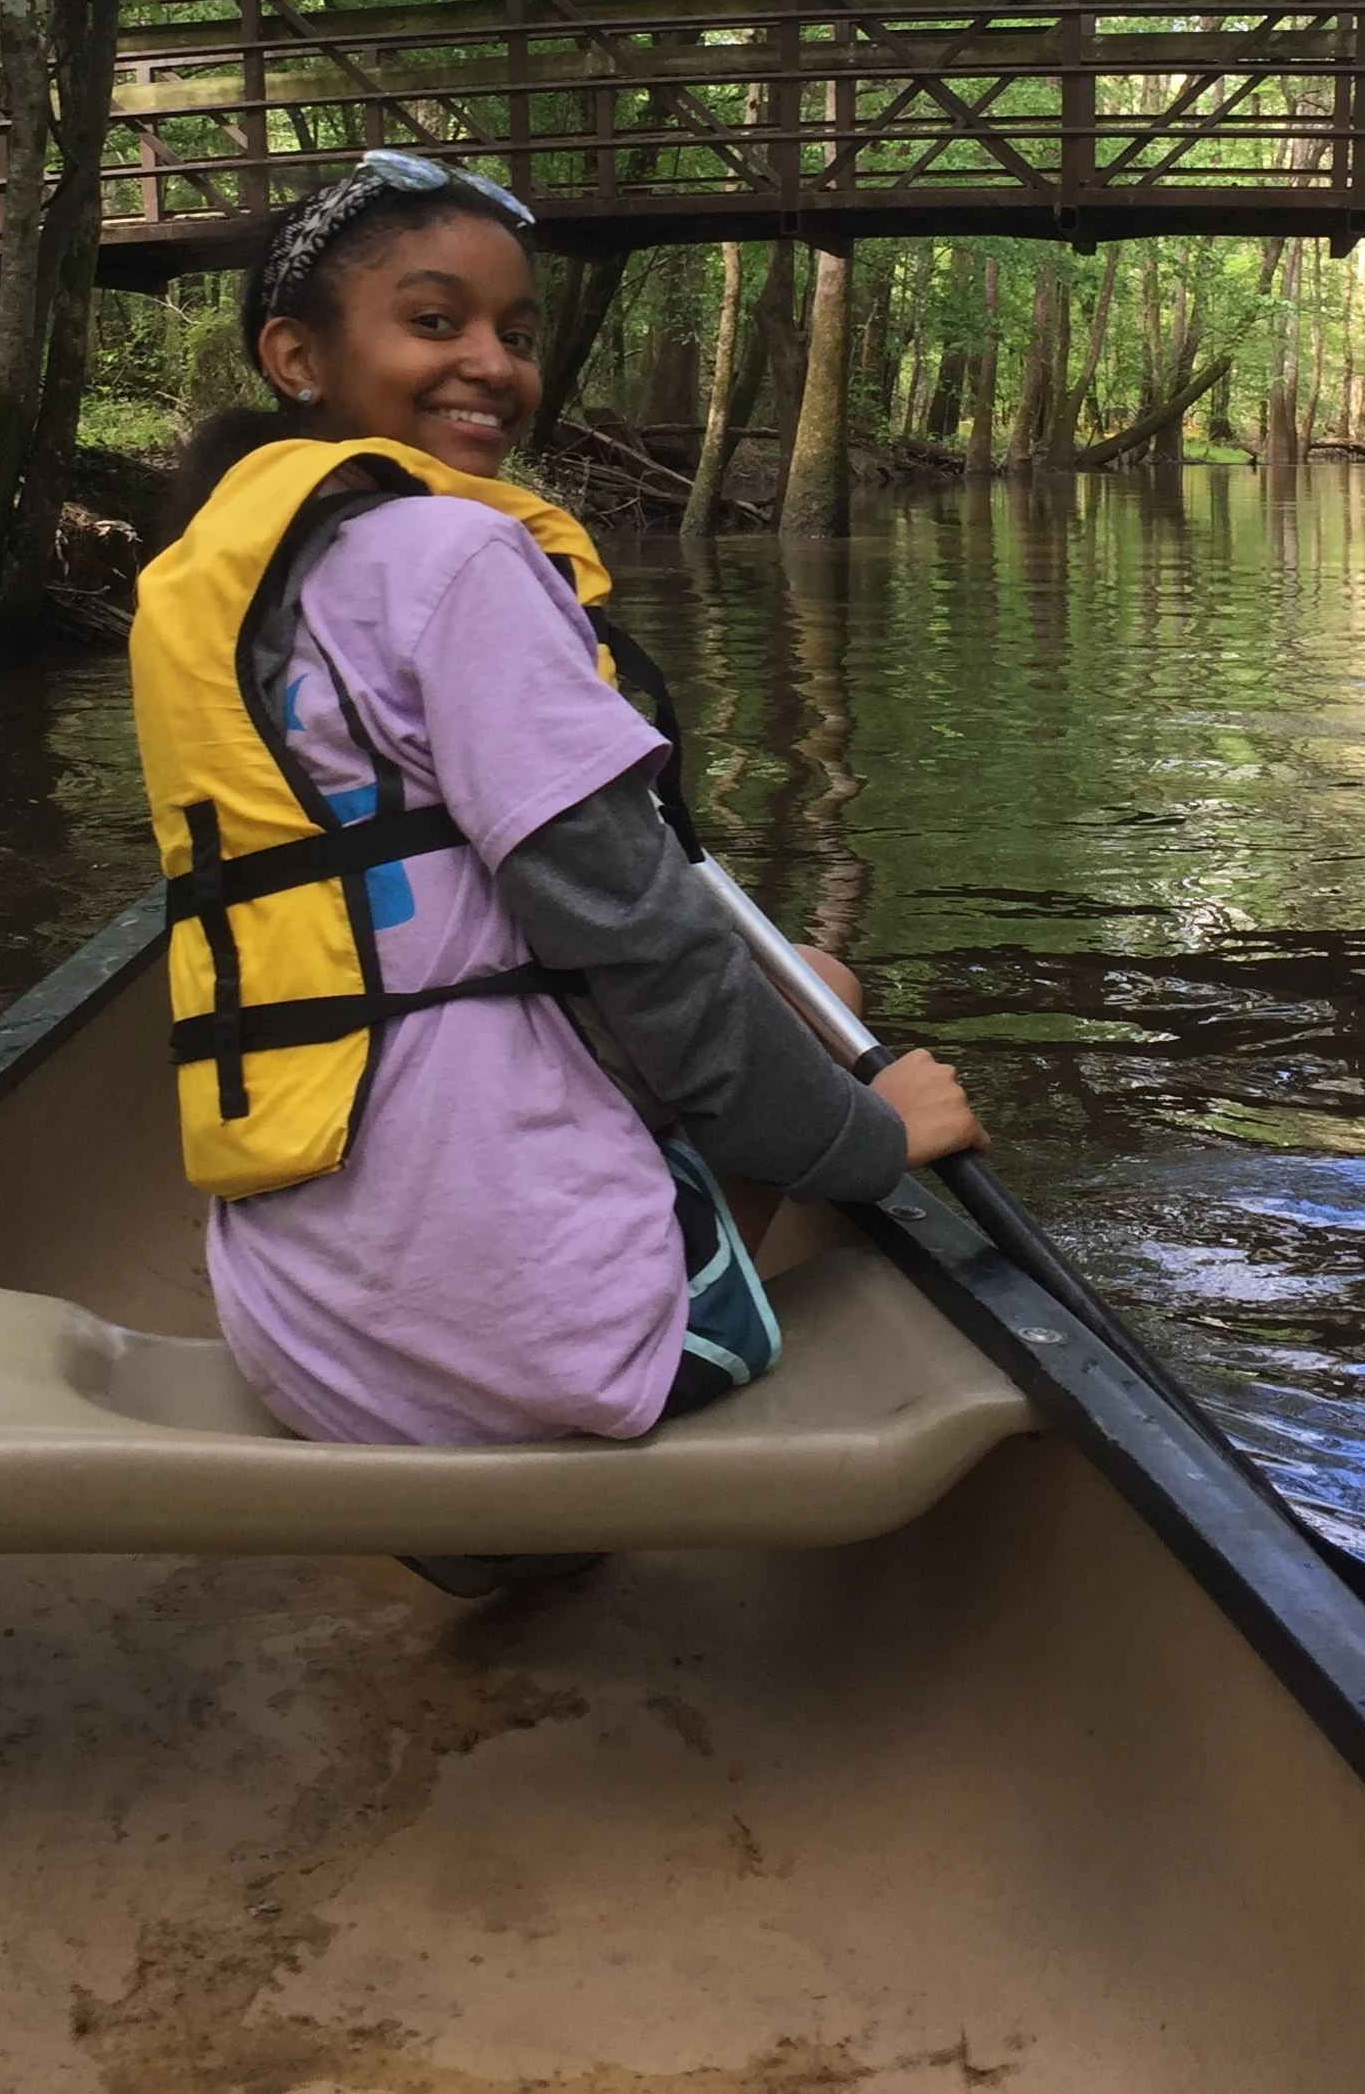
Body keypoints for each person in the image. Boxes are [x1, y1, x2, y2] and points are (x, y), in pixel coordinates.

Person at [130, 151, 987, 1545]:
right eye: (435, 322)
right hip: (540, 1357)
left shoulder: (243, 580)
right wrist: (868, 1142)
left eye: (516, 336)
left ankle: (487, 1407)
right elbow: (643, 939)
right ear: (295, 356)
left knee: (795, 973)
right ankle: (565, 1501)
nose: (493, 364)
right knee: (814, 1004)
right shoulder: (455, 561)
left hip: (300, 1342)